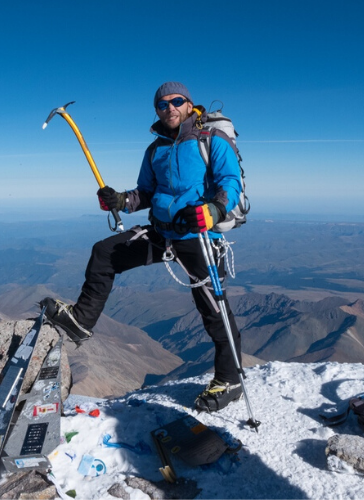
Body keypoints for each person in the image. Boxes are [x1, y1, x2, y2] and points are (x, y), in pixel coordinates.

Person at [40, 82, 244, 413]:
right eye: (162, 105)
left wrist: (215, 210)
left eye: (176, 101)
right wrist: (121, 200)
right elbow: (146, 193)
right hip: (162, 233)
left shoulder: (211, 141)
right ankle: (81, 321)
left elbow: (230, 182)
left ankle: (230, 379)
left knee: (213, 308)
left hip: (199, 236)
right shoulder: (155, 151)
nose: (170, 108)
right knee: (105, 253)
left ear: (190, 104)